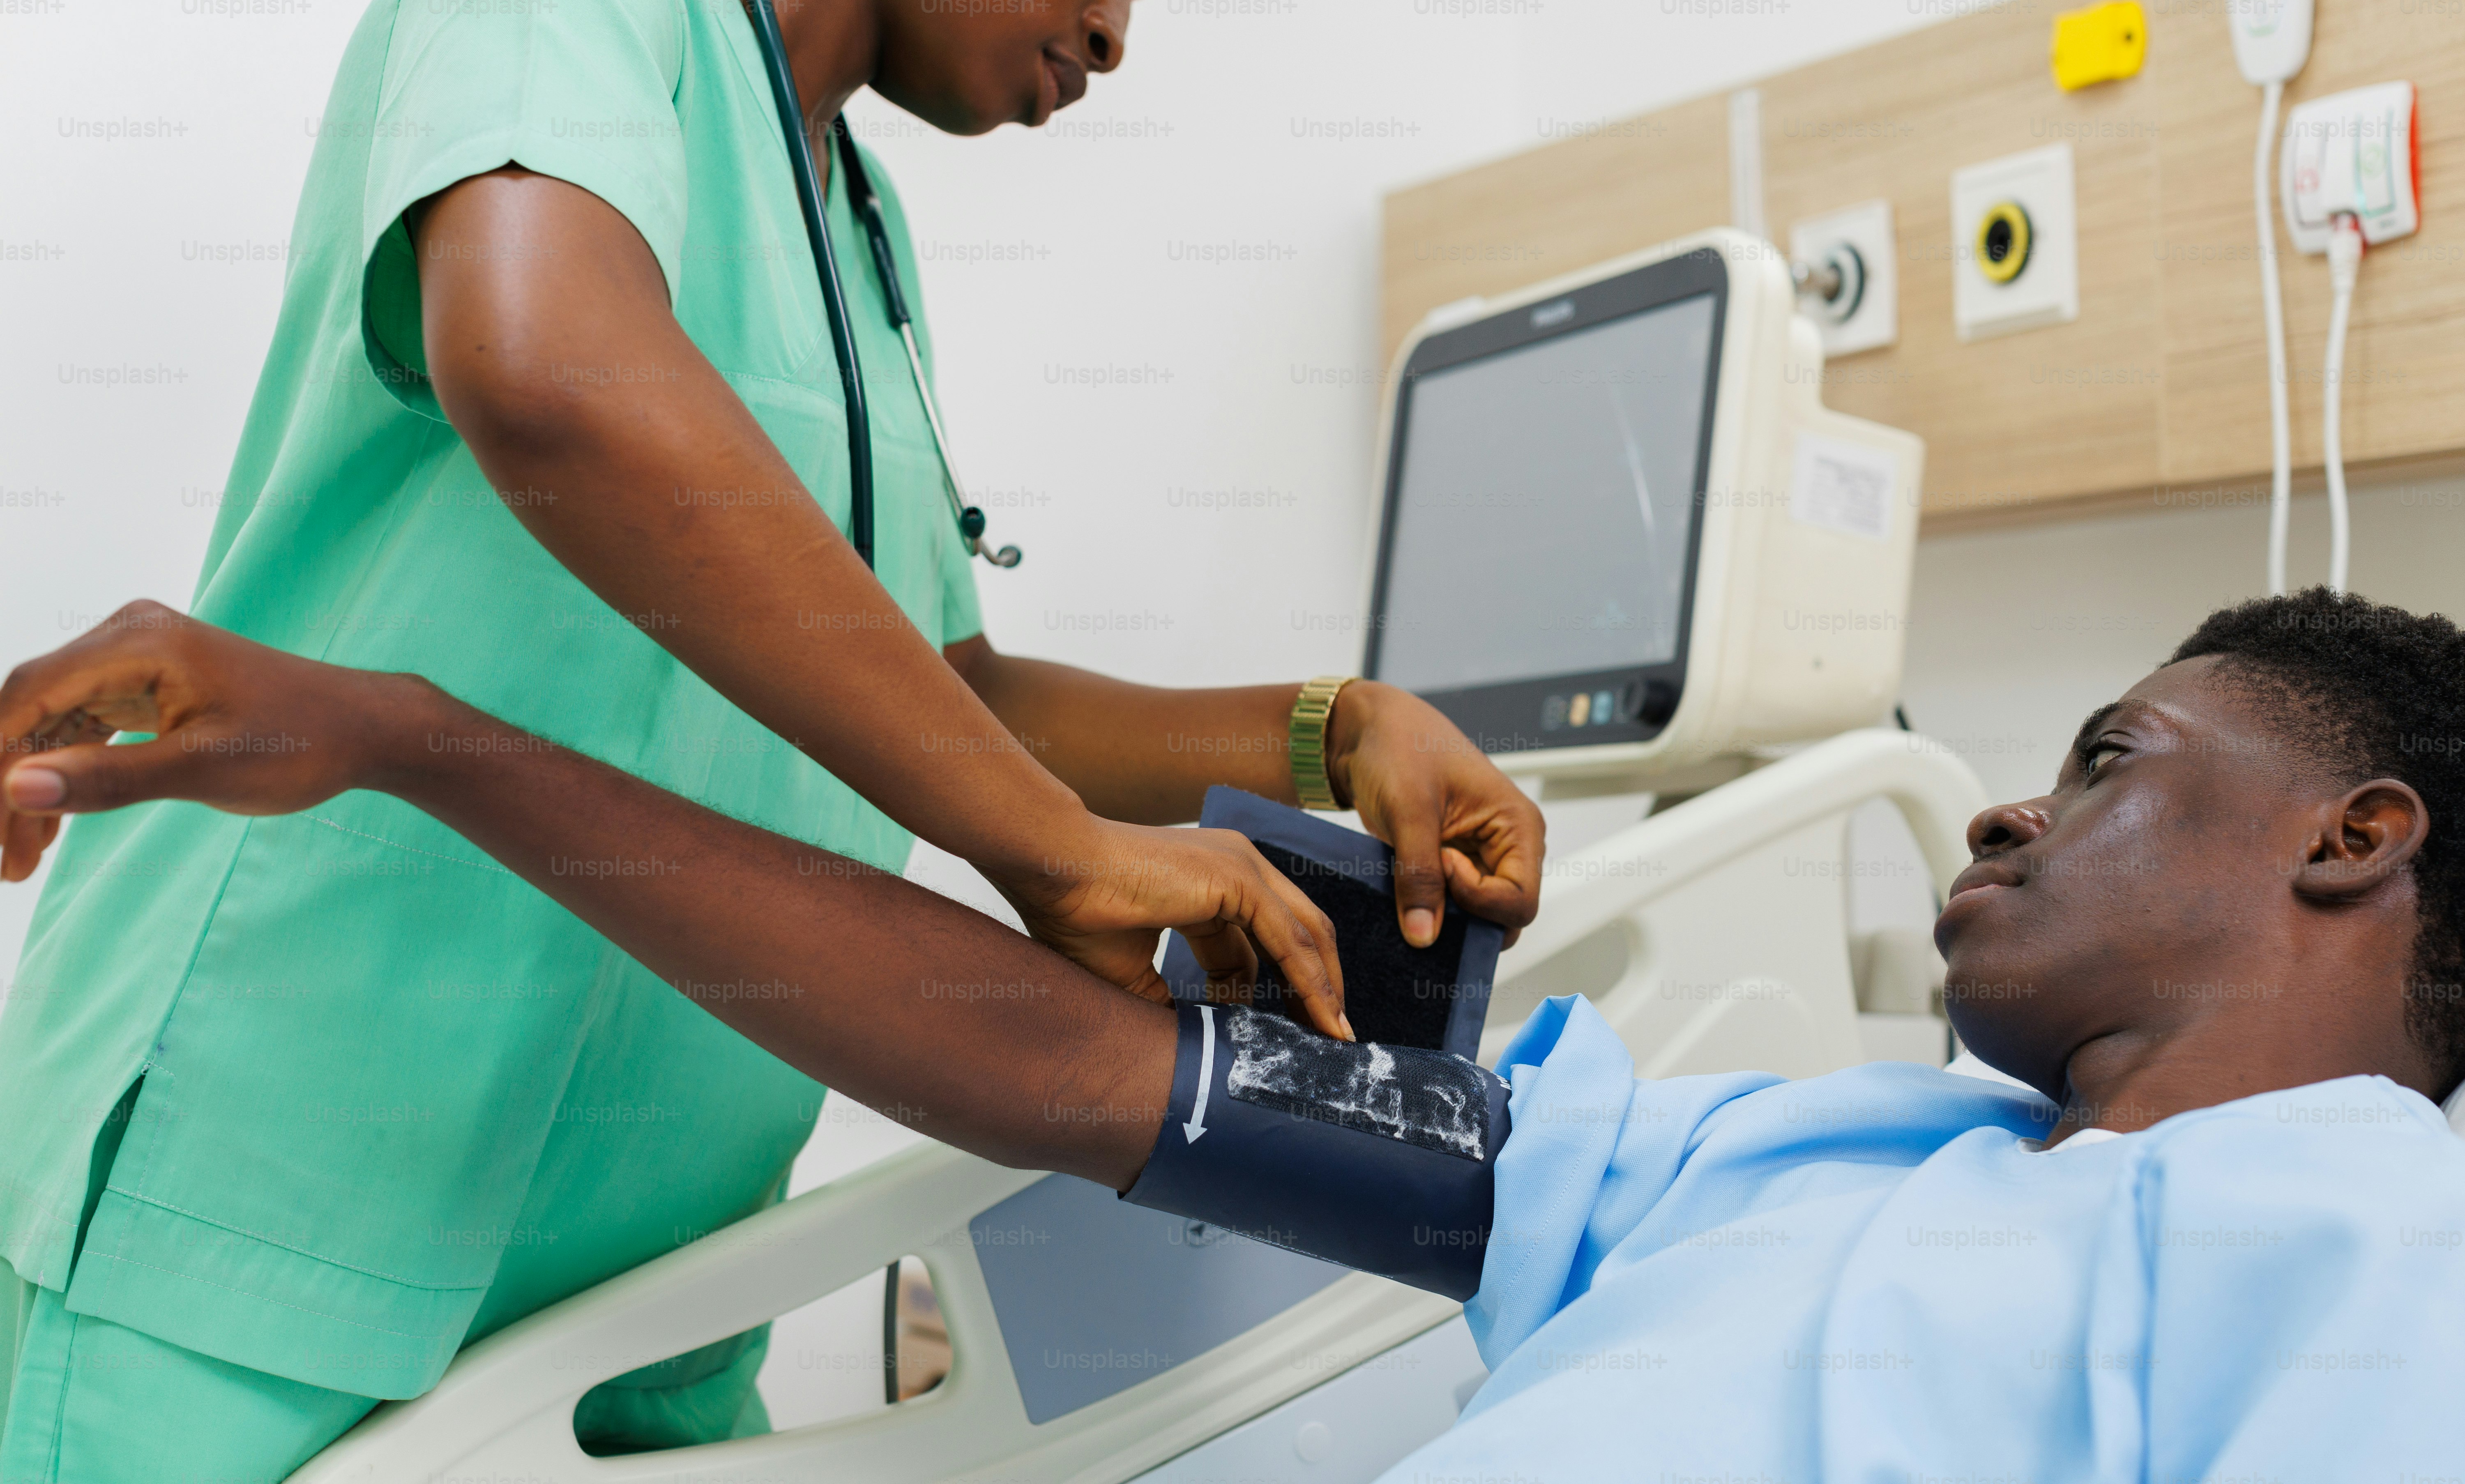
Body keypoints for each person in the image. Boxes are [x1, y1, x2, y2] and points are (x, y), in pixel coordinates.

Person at [0, 0, 1546, 1475]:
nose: (1112, 34)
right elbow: (546, 369)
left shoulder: (861, 239)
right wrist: (1055, 851)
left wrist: (1335, 728)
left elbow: (945, 690)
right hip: (286, 1183)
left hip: (648, 1272)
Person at [6, 587, 2463, 1475]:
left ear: (2354, 844)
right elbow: (1088, 1080)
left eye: (2110, 764)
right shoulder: (1837, 1153)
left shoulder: (2374, 1245)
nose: (2006, 821)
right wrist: (432, 750)